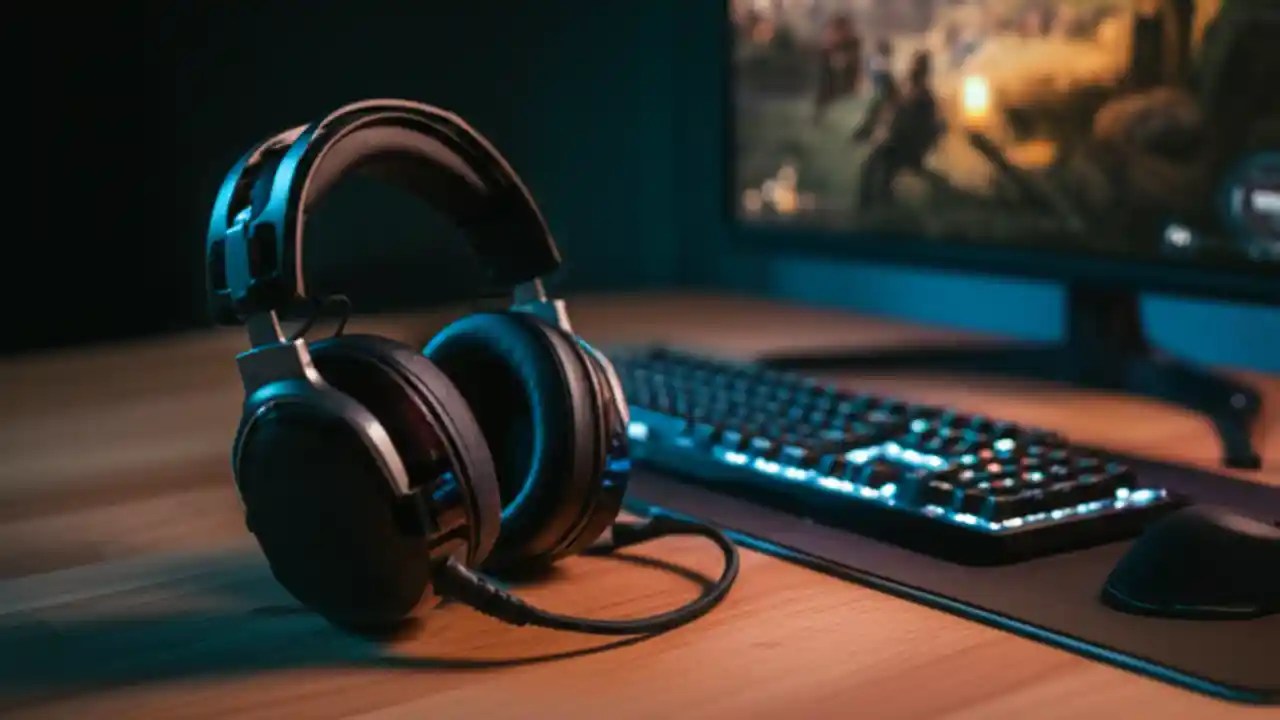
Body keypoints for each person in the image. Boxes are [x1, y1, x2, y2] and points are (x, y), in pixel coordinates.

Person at [857, 50, 945, 210]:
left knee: (878, 167)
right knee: (873, 167)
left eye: (917, 66)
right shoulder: (907, 94)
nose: (913, 70)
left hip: (909, 149)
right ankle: (872, 205)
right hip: (898, 145)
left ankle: (874, 206)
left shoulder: (923, 99)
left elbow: (921, 127)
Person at [813, 14, 862, 125]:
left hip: (845, 82)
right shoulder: (827, 48)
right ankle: (819, 117)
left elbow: (851, 62)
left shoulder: (852, 42)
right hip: (829, 83)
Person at [850, 38, 898, 141]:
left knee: (874, 117)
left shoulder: (875, 61)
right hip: (882, 95)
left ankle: (864, 134)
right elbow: (887, 82)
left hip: (879, 95)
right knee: (877, 117)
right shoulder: (881, 63)